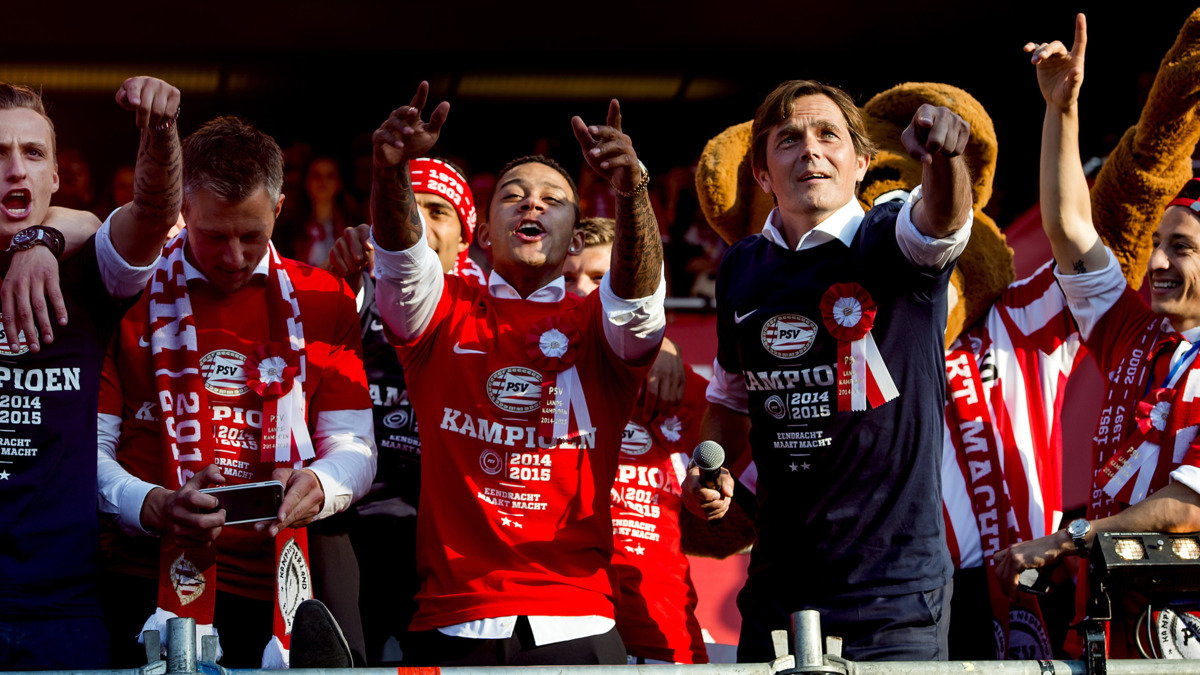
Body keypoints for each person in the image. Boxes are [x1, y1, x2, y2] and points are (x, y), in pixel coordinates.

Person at [370, 82, 665, 666]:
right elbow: (401, 262)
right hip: (453, 619)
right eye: (513, 197)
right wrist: (390, 171)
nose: (532, 206)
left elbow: (637, 301)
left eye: (553, 199)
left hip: (577, 618)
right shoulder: (440, 312)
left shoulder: (599, 326)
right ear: (482, 234)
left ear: (575, 239)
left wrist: (632, 191)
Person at [684, 79, 974, 662]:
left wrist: (946, 157)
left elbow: (942, 219)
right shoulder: (740, 269)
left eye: (827, 135)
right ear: (762, 173)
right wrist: (709, 472)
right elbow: (732, 403)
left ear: (861, 163)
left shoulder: (891, 237)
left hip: (892, 595)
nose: (810, 150)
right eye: (788, 140)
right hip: (776, 593)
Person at [96, 115, 376, 668]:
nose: (234, 257)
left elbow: (355, 446)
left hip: (283, 588)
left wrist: (320, 484)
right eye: (214, 235)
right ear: (183, 208)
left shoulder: (325, 300)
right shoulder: (128, 293)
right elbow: (89, 453)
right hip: (145, 578)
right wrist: (150, 503)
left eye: (252, 236)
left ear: (279, 209)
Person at [994, 14, 1200, 658]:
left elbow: (1187, 508)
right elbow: (1069, 230)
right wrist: (1062, 110)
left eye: (1182, 248)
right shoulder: (1136, 332)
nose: (1157, 262)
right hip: (1110, 630)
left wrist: (1073, 537)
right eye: (1158, 243)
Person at [0, 77, 178, 670]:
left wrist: (160, 134)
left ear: (54, 177)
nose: (16, 169)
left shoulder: (87, 272)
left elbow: (152, 213)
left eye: (33, 153)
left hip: (63, 606)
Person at [325, 156, 486, 665]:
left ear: (465, 237)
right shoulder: (355, 291)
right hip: (352, 526)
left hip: (450, 540)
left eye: (439, 211)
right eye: (409, 207)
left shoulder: (493, 309)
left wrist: (666, 349)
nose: (419, 223)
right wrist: (341, 284)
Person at [563, 216, 707, 664]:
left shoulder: (681, 388)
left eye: (600, 279)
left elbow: (741, 498)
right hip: (558, 625)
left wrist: (663, 345)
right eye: (568, 278)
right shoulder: (524, 373)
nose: (583, 291)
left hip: (660, 632)